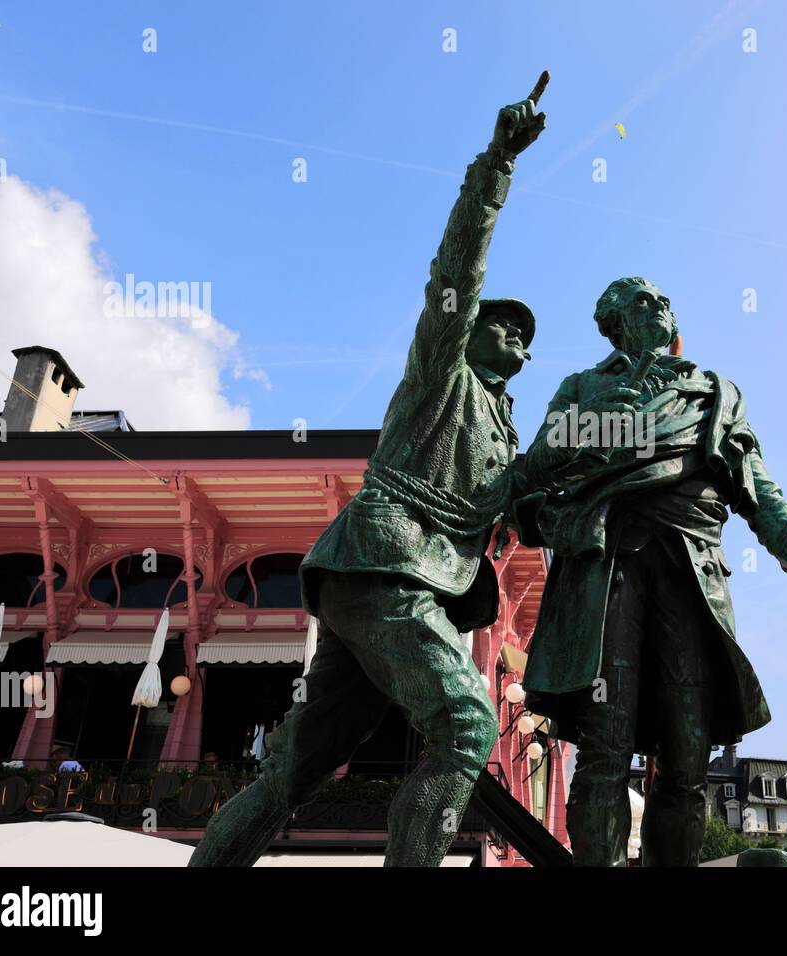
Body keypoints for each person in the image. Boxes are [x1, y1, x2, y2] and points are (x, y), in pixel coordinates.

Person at [190, 79, 547, 868]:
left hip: (393, 581)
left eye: (529, 338)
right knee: (467, 724)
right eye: (507, 325)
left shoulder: (500, 430)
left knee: (293, 769)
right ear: (475, 327)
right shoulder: (440, 374)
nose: (520, 340)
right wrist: (495, 168)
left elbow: (526, 508)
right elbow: (456, 269)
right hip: (385, 561)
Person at [518, 277, 787, 866]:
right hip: (607, 568)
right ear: (613, 320)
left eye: (664, 300)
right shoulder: (584, 386)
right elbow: (533, 468)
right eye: (643, 299)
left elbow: (760, 491)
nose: (660, 306)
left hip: (693, 575)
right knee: (605, 747)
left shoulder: (714, 393)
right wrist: (587, 424)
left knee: (688, 758)